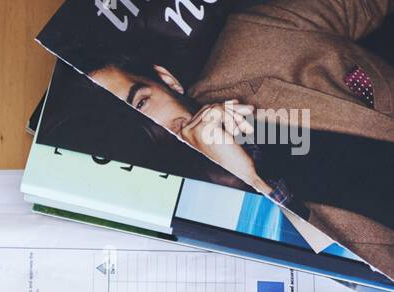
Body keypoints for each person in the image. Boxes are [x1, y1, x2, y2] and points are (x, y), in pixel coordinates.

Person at [86, 0, 394, 276]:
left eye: (141, 102)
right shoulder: (208, 235)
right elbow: (358, 281)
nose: (156, 127)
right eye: (133, 133)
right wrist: (250, 181)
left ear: (166, 81)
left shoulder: (258, 37)